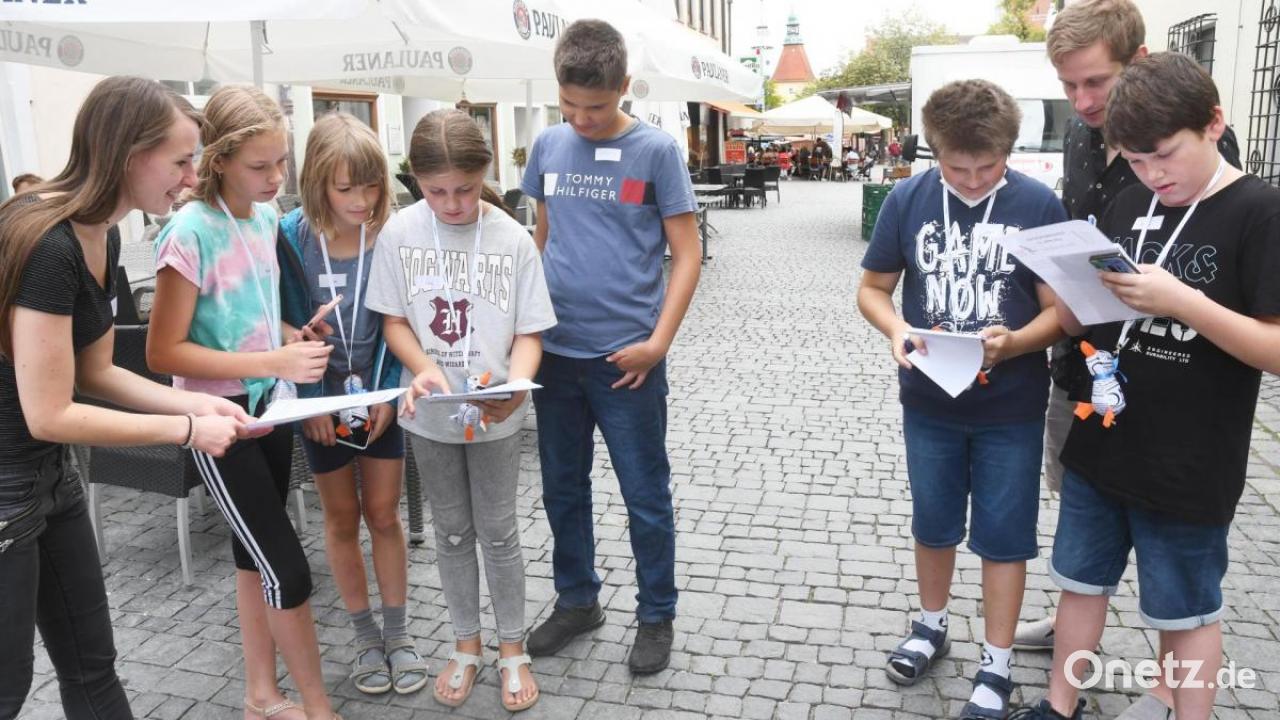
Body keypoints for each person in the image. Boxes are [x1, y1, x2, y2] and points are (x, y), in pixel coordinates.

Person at [1010, 52, 1280, 720]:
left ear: (1213, 123)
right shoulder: (1131, 201)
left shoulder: (1261, 211)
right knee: (1079, 584)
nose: (1153, 174)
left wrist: (1181, 301)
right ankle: (1059, 705)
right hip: (1103, 441)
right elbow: (1089, 315)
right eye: (1135, 160)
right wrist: (1068, 290)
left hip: (1190, 462)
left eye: (1164, 155)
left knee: (1185, 611)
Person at [0, 76, 249, 720]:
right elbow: (49, 413)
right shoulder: (49, 243)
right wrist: (186, 433)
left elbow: (97, 372)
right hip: (7, 492)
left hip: (50, 480)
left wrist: (194, 405)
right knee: (7, 688)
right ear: (128, 154)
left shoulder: (103, 234)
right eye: (181, 160)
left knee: (93, 667)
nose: (192, 178)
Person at [857, 80, 1067, 720]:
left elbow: (1060, 312)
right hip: (930, 403)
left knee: (1005, 537)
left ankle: (997, 662)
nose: (973, 181)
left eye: (988, 166)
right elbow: (872, 289)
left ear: (1009, 151)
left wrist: (1017, 342)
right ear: (934, 150)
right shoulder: (908, 198)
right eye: (957, 168)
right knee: (934, 522)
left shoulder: (1038, 204)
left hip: (1011, 408)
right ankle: (931, 626)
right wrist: (897, 330)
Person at [147, 85, 342, 720]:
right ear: (220, 159)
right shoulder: (188, 231)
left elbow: (254, 321)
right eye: (261, 165)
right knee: (287, 567)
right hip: (215, 421)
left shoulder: (264, 219)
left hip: (268, 410)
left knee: (252, 556)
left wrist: (289, 336)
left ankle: (261, 694)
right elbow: (164, 352)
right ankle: (319, 710)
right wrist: (272, 361)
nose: (276, 177)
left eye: (282, 161)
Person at [519, 18, 701, 676]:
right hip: (556, 356)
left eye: (594, 107)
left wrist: (657, 344)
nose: (581, 119)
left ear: (625, 86)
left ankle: (657, 614)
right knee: (562, 491)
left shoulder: (656, 152)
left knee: (644, 495)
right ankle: (578, 601)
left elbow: (687, 255)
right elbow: (540, 240)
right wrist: (524, 331)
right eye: (569, 104)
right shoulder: (548, 145)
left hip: (628, 364)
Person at [365, 109, 555, 712]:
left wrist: (517, 387)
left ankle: (512, 647)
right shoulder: (399, 233)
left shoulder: (512, 239)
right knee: (450, 532)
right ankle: (466, 643)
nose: (452, 203)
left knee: (499, 532)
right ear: (416, 182)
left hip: (496, 415)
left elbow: (529, 332)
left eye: (466, 190)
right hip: (431, 414)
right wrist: (421, 366)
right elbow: (394, 320)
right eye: (436, 191)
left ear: (486, 174)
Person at [276, 112, 424, 697]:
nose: (361, 201)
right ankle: (365, 637)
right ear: (317, 184)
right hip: (321, 402)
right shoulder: (290, 237)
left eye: (371, 186)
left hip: (378, 396)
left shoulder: (391, 232)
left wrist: (391, 389)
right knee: (341, 518)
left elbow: (401, 318)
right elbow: (277, 317)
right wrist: (310, 400)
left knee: (384, 514)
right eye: (345, 189)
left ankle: (398, 633)